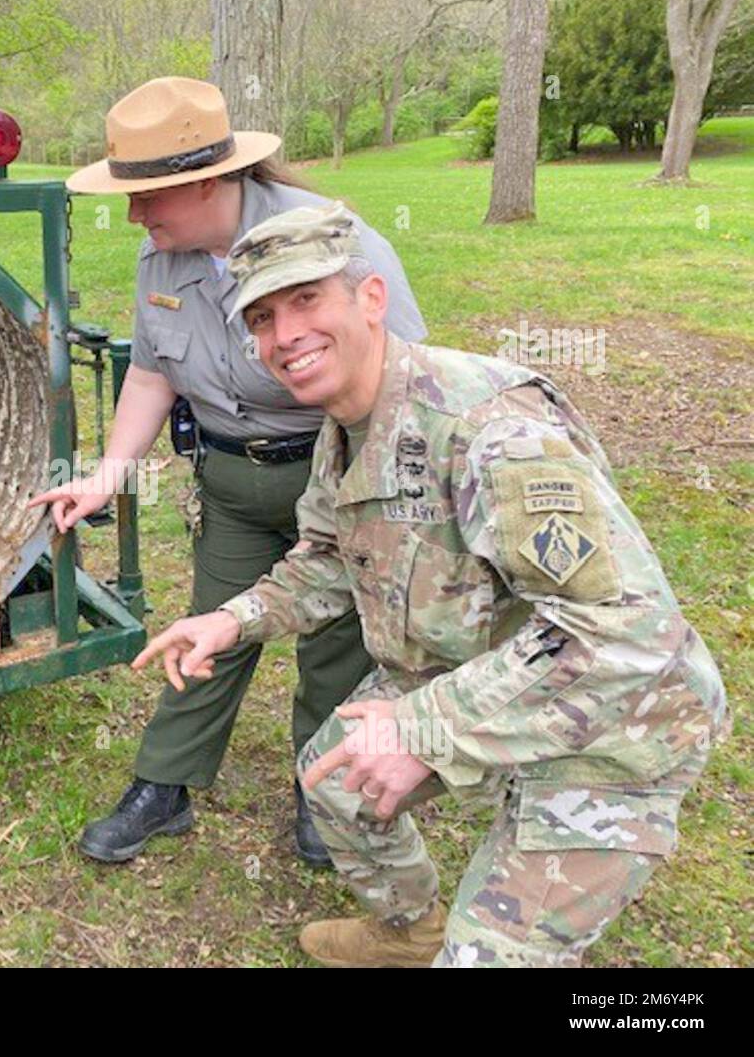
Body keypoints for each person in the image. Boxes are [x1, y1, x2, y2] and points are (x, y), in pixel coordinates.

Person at [133, 203, 726, 967]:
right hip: (475, 674)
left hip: (610, 732)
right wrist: (231, 621)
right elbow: (328, 558)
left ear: (371, 299)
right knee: (336, 778)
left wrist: (419, 730)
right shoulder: (346, 425)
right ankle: (408, 930)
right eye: (264, 317)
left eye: (308, 300)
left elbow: (617, 633)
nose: (286, 336)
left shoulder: (491, 428)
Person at [30, 77, 427, 867]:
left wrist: (380, 499)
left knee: (337, 643)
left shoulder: (332, 245)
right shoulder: (162, 262)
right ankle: (163, 785)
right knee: (210, 627)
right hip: (232, 484)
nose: (136, 215)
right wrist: (109, 473)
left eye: (147, 197)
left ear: (207, 181)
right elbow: (151, 374)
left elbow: (405, 380)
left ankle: (323, 789)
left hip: (334, 480)